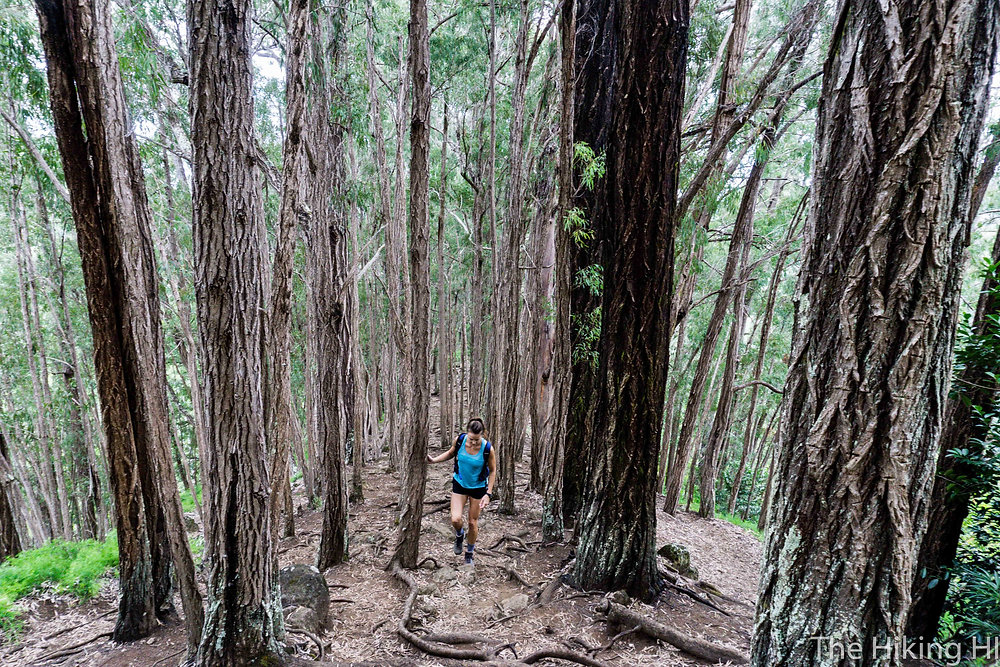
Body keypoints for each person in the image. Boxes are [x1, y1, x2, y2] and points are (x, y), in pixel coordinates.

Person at [426, 417, 497, 565]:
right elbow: (451, 453)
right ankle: (459, 535)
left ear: (482, 435)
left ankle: (469, 553)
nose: (473, 442)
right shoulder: (460, 440)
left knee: (472, 522)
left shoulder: (487, 449)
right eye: (471, 439)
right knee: (455, 519)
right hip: (460, 484)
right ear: (467, 433)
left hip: (478, 488)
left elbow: (493, 471)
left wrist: (488, 494)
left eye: (477, 439)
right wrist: (434, 460)